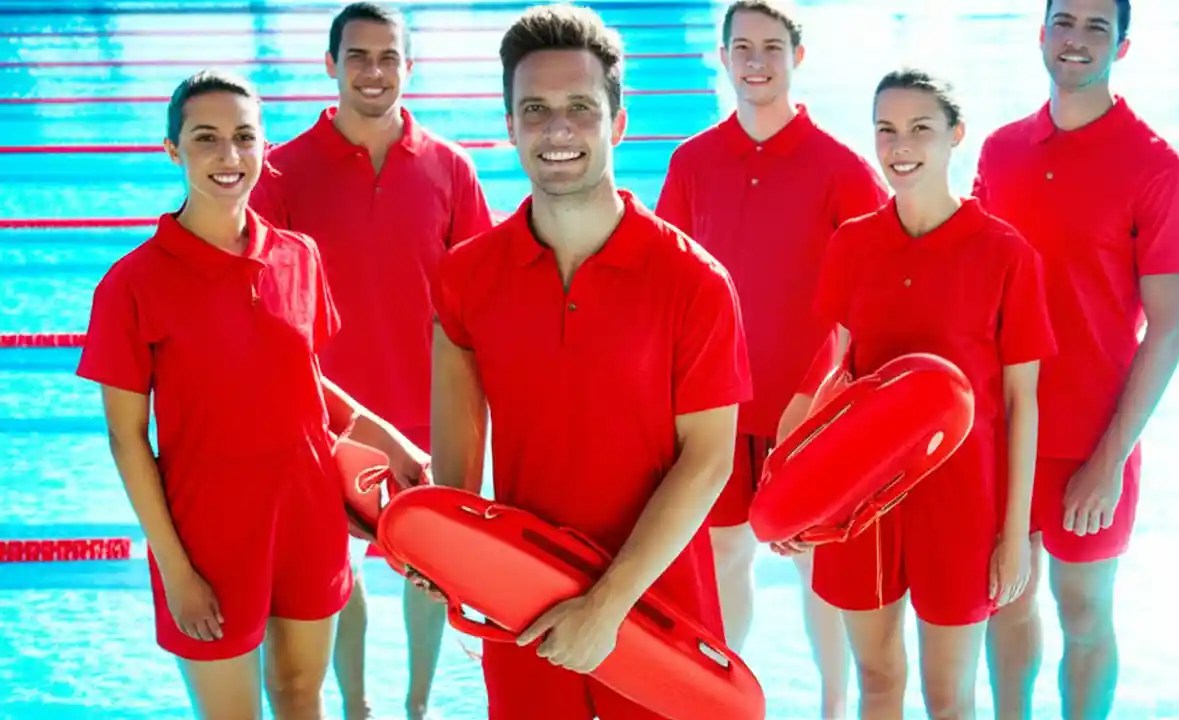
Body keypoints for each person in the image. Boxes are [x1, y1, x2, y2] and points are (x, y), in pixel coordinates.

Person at [417, 4, 752, 718]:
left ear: (618, 122)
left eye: (579, 108)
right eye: (534, 109)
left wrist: (606, 608)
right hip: (521, 604)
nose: (557, 129)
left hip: (658, 607)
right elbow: (457, 454)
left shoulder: (693, 281)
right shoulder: (466, 277)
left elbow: (709, 460)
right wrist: (443, 548)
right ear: (509, 126)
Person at [76, 70, 427, 720]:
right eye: (206, 138)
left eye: (243, 137)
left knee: (301, 697)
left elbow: (301, 381)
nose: (229, 156)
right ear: (172, 150)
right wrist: (177, 571)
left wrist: (390, 439)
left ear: (263, 147)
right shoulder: (133, 285)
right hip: (207, 533)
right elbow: (126, 437)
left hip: (307, 518)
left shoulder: (298, 255)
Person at [777, 68, 1058, 719]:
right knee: (877, 677)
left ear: (955, 136)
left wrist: (1013, 534)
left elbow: (1022, 405)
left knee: (948, 698)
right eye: (886, 130)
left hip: (961, 501)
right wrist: (792, 487)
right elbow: (834, 373)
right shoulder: (854, 244)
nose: (900, 146)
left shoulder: (1005, 254)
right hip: (863, 493)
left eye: (920, 129)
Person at [249, 4, 494, 718]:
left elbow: (482, 296)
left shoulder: (450, 168)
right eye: (358, 55)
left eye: (388, 56)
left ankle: (416, 706)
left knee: (429, 574)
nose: (374, 70)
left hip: (431, 412)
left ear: (409, 68)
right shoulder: (282, 173)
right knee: (337, 575)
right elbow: (261, 309)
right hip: (325, 417)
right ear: (330, 64)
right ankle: (355, 705)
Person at [654, 3, 887, 715]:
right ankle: (728, 695)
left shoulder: (841, 168)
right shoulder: (693, 162)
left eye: (772, 47)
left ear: (797, 57)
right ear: (722, 58)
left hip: (809, 409)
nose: (757, 61)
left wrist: (816, 396)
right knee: (725, 554)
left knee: (818, 562)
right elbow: (666, 283)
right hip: (717, 402)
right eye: (743, 48)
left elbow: (867, 297)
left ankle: (833, 704)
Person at [974, 2, 1179, 717]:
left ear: (1122, 47)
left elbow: (1169, 329)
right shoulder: (1000, 150)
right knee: (1005, 606)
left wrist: (1109, 459)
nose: (1075, 40)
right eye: (1063, 22)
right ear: (1041, 34)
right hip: (1000, 434)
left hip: (1090, 442)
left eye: (1096, 28)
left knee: (1083, 614)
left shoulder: (1157, 169)